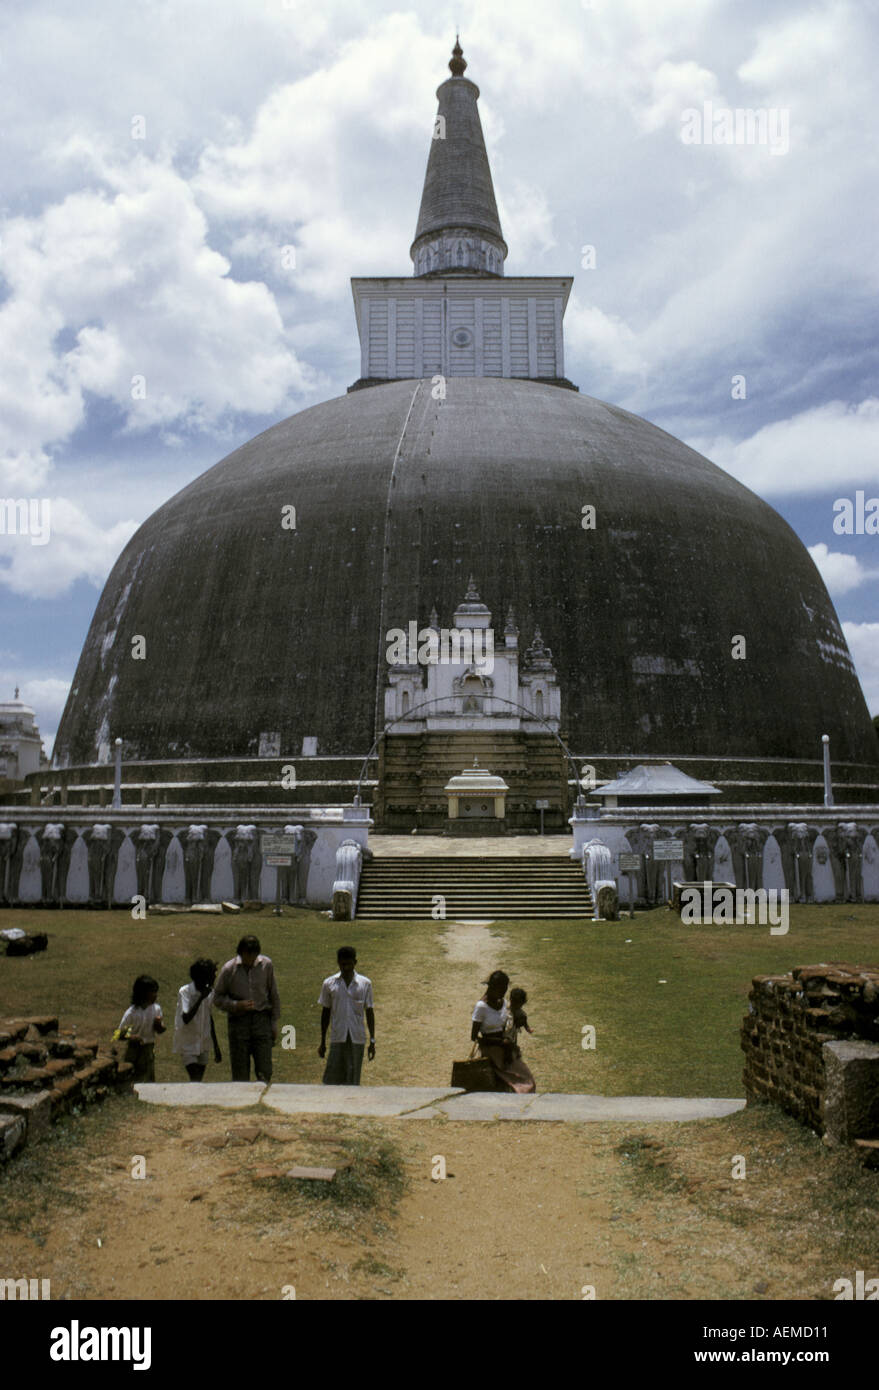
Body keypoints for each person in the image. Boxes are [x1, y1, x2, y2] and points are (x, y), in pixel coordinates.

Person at [212, 935, 280, 1082]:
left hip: (261, 1020)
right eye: (247, 956)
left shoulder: (266, 965)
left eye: (253, 956)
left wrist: (274, 1023)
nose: (250, 960)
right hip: (239, 1022)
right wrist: (236, 1005)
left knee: (265, 1069)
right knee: (240, 1071)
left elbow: (274, 994)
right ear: (240, 953)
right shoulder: (229, 969)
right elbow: (217, 998)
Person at [470, 970, 535, 1094]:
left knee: (528, 1082)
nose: (504, 992)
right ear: (493, 987)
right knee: (524, 1084)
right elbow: (474, 1036)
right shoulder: (481, 1007)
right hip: (492, 1052)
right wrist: (500, 1042)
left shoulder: (504, 1003)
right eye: (502, 988)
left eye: (506, 989)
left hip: (507, 1051)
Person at [317, 947, 375, 1085]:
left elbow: (370, 1012)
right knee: (331, 1081)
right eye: (343, 964)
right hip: (338, 1037)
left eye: (349, 964)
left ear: (355, 962)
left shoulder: (365, 984)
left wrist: (372, 1041)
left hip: (357, 1039)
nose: (346, 968)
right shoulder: (329, 984)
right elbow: (325, 1013)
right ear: (338, 963)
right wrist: (322, 1042)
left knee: (353, 1080)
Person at [173, 957, 222, 1082]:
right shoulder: (185, 992)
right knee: (194, 1077)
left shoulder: (210, 993)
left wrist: (216, 1046)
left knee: (197, 1081)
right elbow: (186, 1018)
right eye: (212, 975)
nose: (214, 978)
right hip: (188, 1042)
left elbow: (209, 1018)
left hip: (203, 1042)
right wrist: (201, 998)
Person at [116, 974, 165, 1083]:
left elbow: (160, 1030)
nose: (155, 995)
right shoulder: (132, 1013)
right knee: (131, 1077)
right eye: (152, 992)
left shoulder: (156, 1009)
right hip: (134, 1050)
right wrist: (133, 1037)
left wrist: (159, 1026)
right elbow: (119, 1034)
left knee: (147, 1078)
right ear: (142, 993)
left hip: (148, 1049)